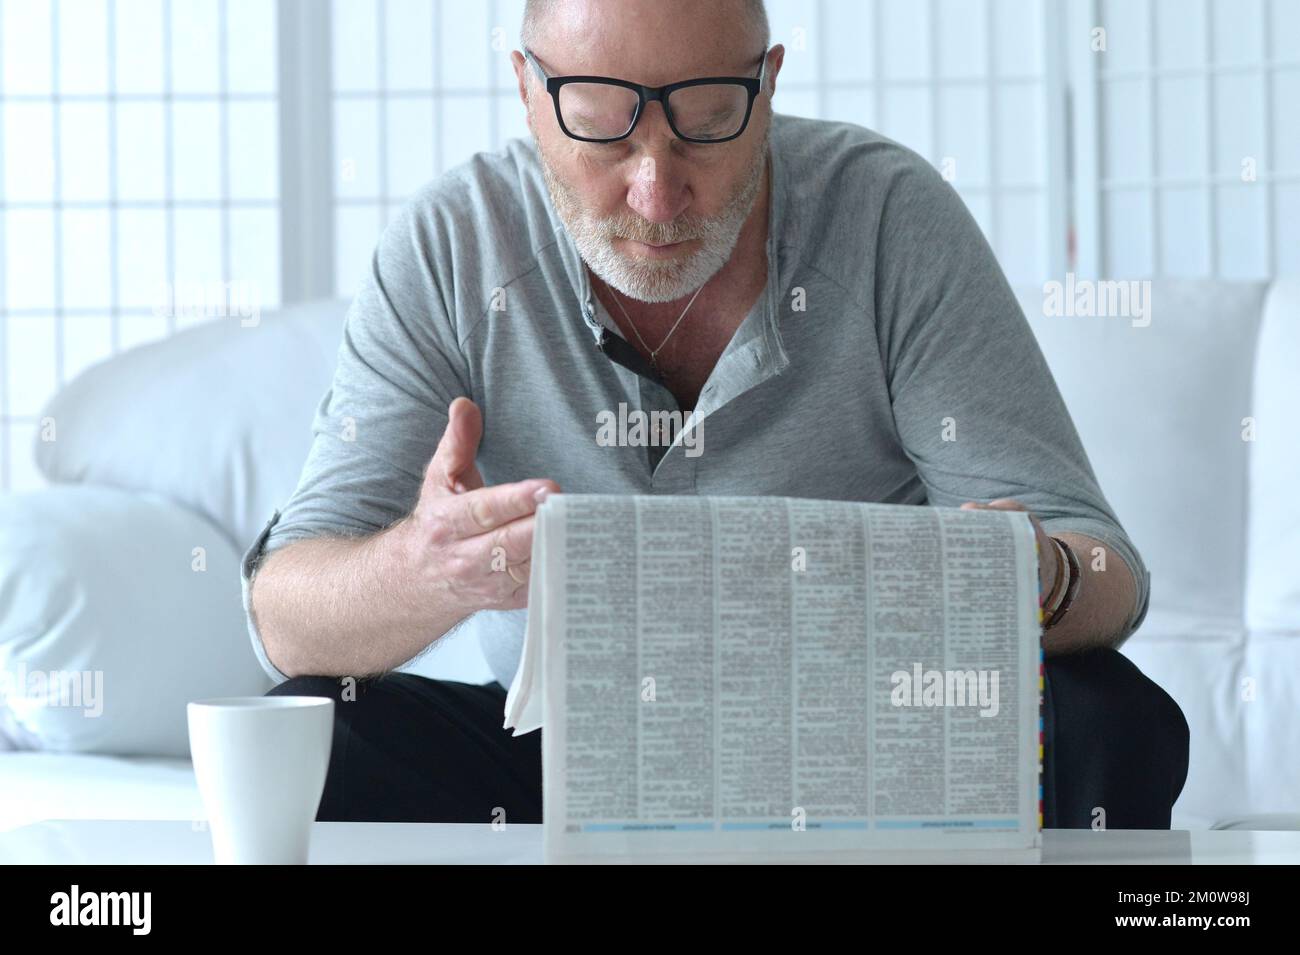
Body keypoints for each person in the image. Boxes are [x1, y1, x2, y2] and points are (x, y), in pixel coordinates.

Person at [243, 0, 1187, 829]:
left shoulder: (889, 217)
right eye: (603, 124)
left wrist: (1036, 578)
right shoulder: (454, 244)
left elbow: (1110, 572)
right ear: (528, 91)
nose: (656, 191)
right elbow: (284, 615)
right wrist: (432, 570)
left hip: (869, 752)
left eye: (706, 120)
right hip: (565, 759)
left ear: (768, 86)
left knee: (1108, 717)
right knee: (315, 730)